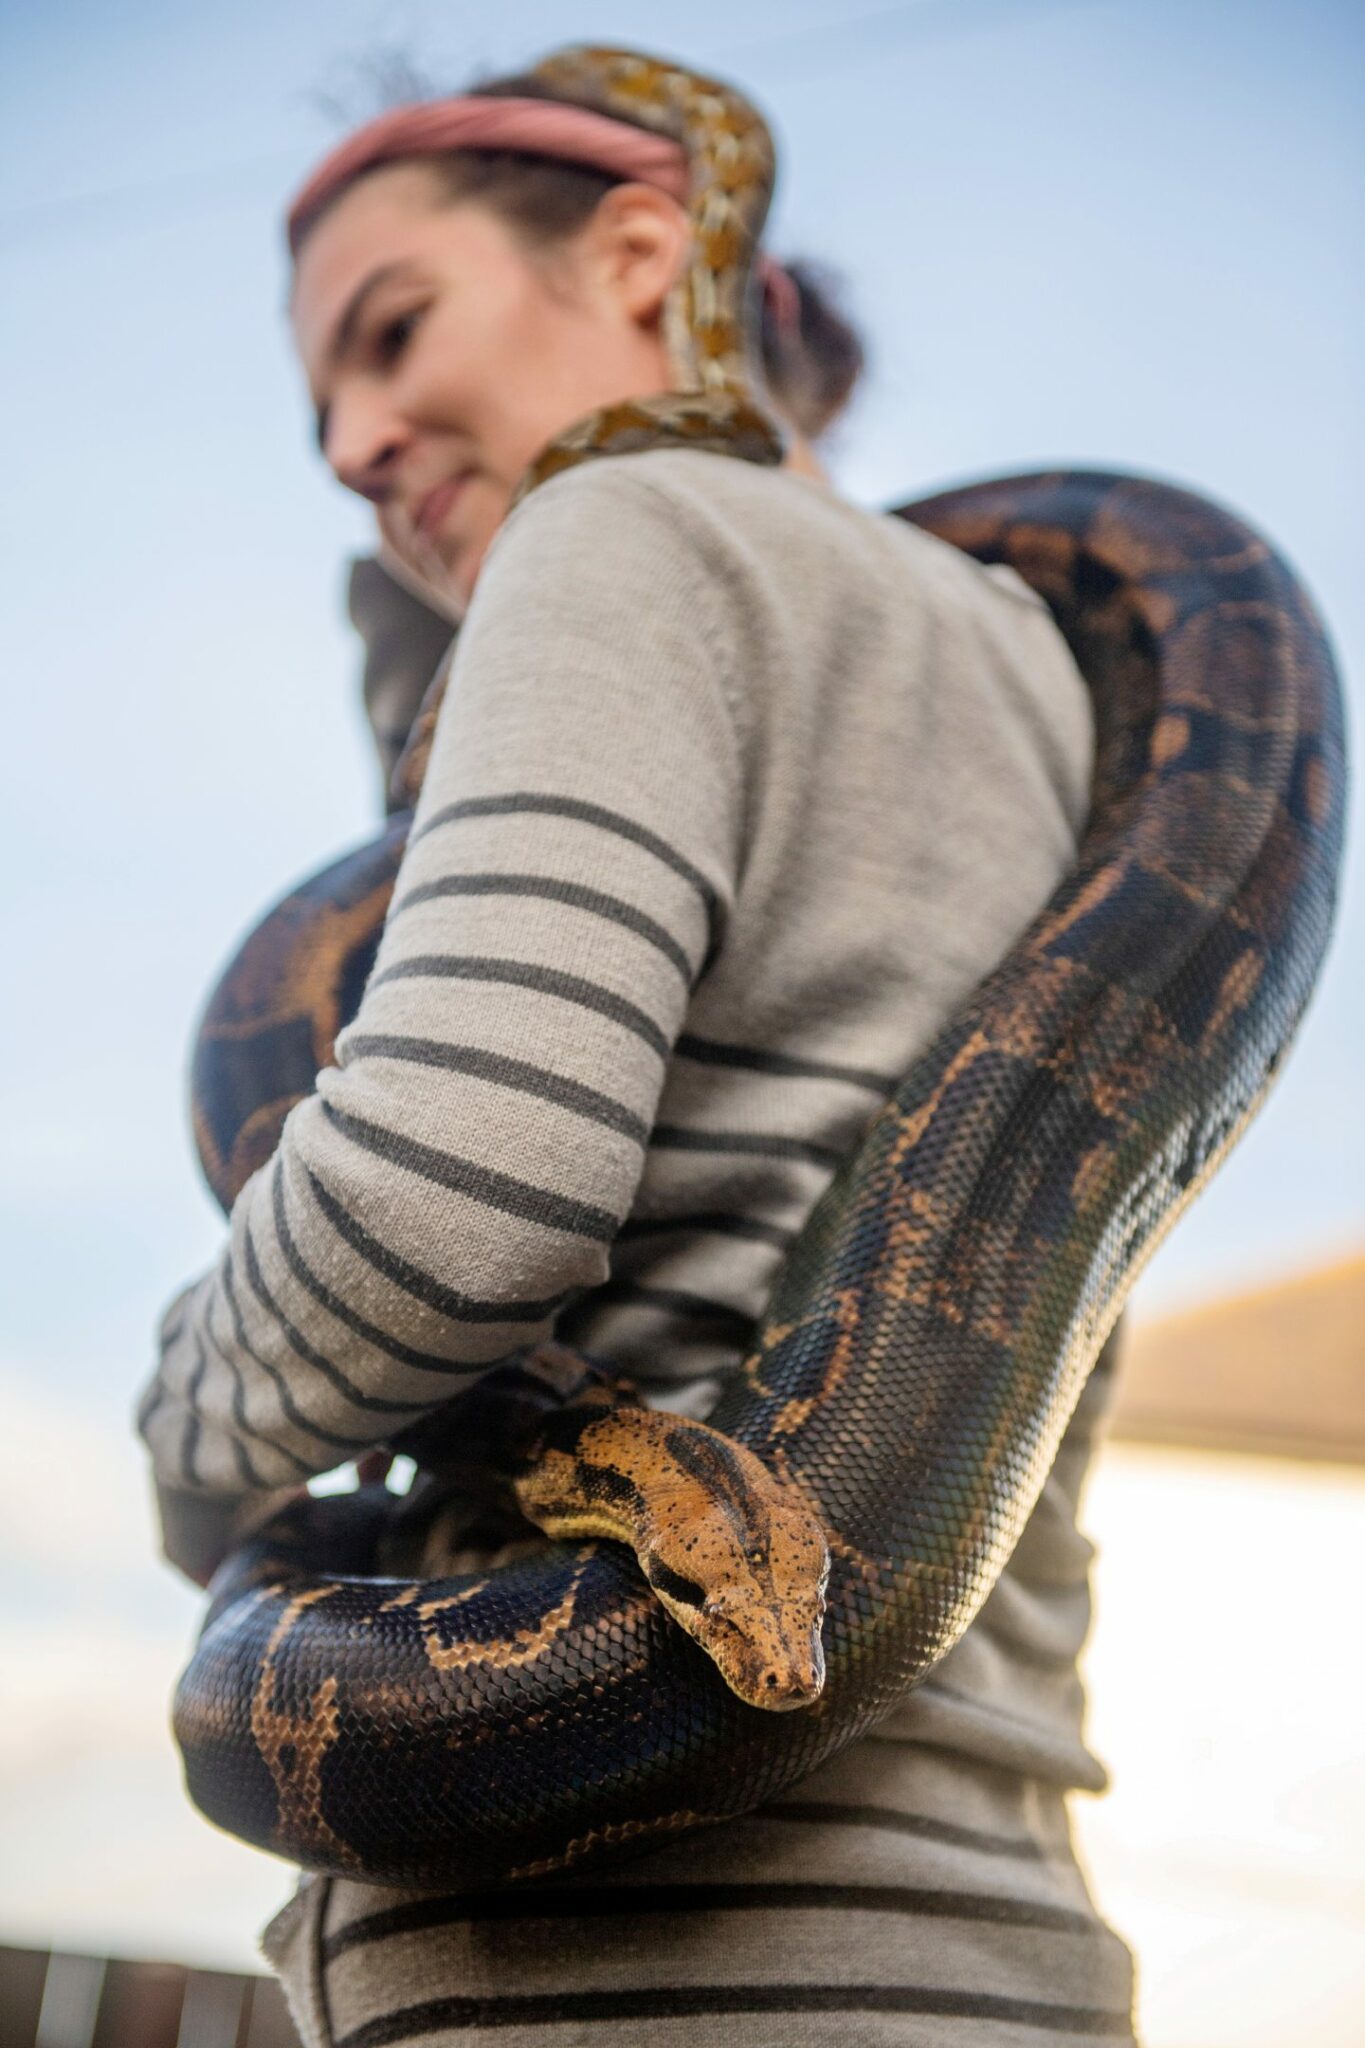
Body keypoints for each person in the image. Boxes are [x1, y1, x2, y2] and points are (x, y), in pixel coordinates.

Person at [136, 56, 1139, 2048]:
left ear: (634, 254)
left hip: (668, 1987)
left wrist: (191, 1437)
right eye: (318, 408)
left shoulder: (621, 526)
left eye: (391, 330)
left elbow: (445, 1213)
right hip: (974, 1943)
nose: (349, 441)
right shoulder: (1028, 669)